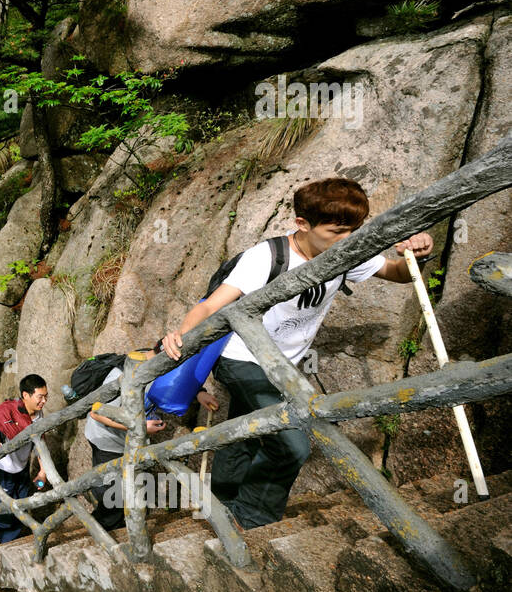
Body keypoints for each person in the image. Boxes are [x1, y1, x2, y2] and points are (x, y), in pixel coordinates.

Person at [161, 178, 434, 529]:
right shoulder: (267, 257)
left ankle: (222, 504)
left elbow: (397, 273)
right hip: (241, 357)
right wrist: (180, 335)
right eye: (337, 230)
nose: (348, 239)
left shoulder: (346, 249)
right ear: (302, 224)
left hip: (281, 365)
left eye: (355, 230)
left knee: (244, 429)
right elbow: (212, 305)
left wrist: (416, 254)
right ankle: (250, 519)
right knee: (292, 444)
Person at [84, 367, 219, 530]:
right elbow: (97, 413)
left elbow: (180, 382)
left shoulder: (165, 372)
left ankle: (124, 527)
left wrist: (199, 393)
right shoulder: (125, 375)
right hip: (107, 440)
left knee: (134, 489)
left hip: (132, 442)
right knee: (112, 496)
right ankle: (100, 531)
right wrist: (140, 426)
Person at [0, 375, 49, 543]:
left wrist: (43, 471)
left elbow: (40, 443)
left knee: (21, 507)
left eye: (46, 396)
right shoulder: (8, 408)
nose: (44, 401)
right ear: (26, 395)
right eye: (40, 397)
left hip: (21, 468)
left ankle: (3, 539)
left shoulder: (39, 416)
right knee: (7, 509)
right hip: (2, 468)